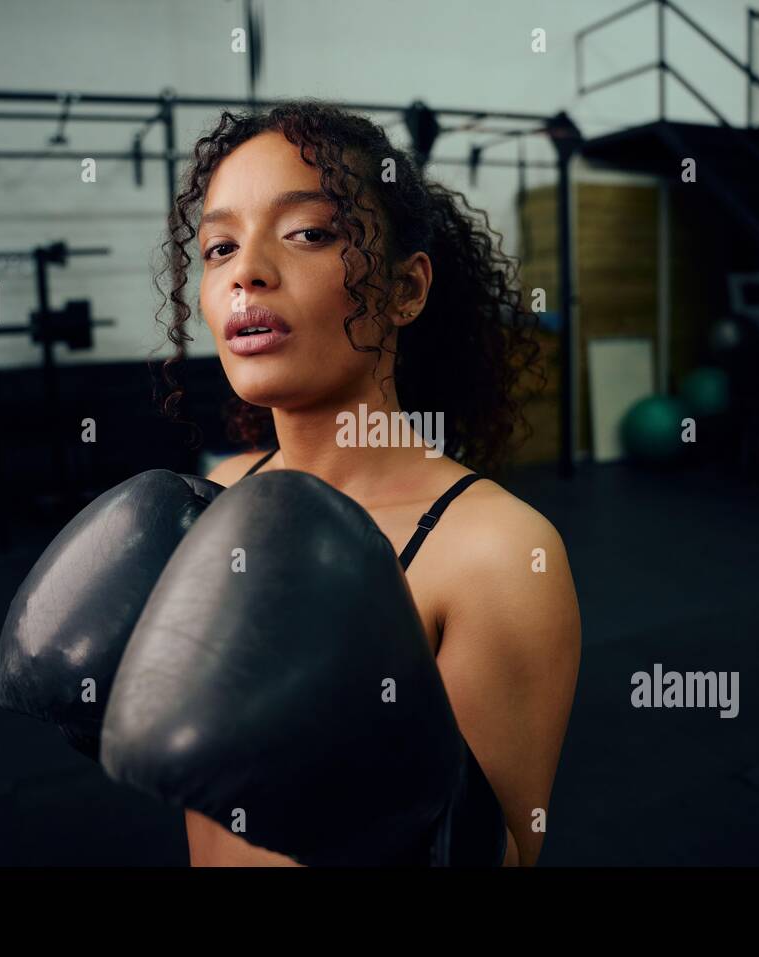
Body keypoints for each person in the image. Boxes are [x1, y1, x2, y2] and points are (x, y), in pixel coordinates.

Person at [152, 100, 582, 867]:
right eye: (218, 246)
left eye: (309, 232)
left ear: (406, 290)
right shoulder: (221, 493)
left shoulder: (498, 554)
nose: (246, 270)